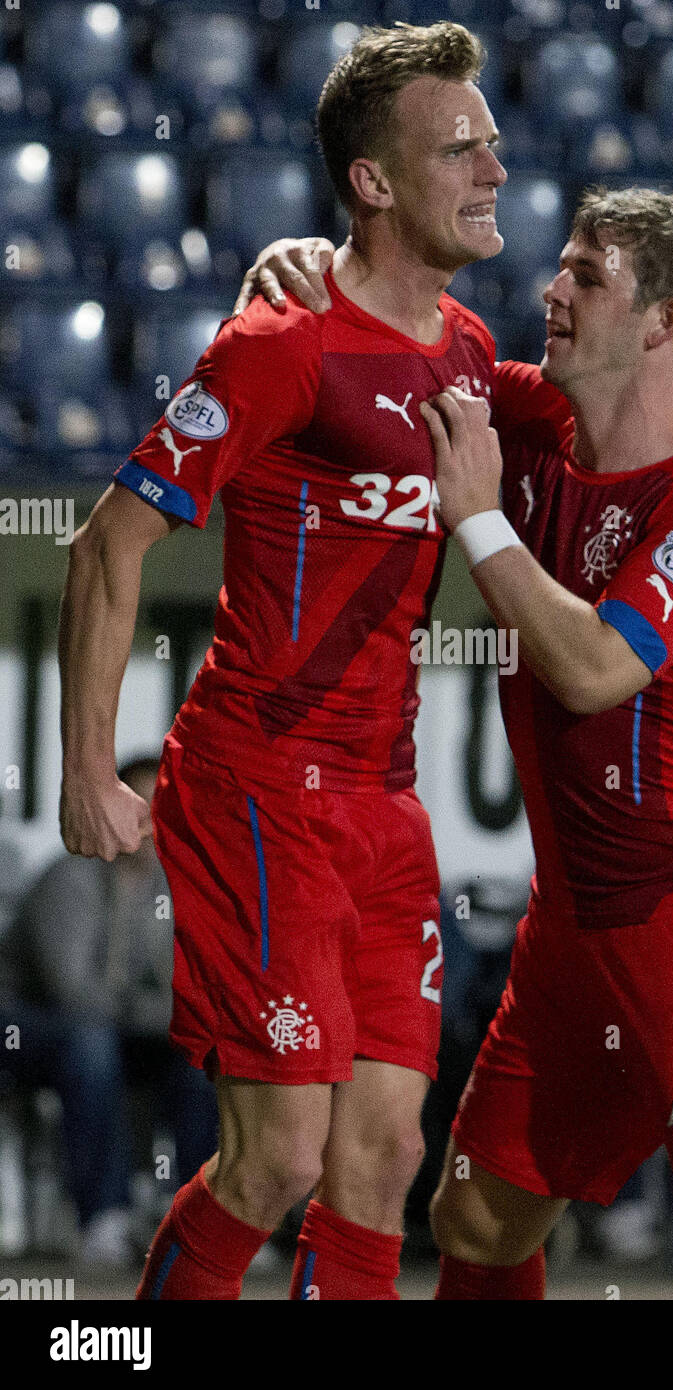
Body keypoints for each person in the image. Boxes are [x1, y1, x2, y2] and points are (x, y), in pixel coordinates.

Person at [242, 186, 673, 1300]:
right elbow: (389, 347)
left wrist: (477, 518)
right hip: (573, 929)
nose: (551, 287)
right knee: (477, 1215)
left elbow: (592, 669)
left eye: (586, 274)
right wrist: (306, 271)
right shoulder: (527, 422)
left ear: (663, 321)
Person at [57, 21, 503, 1300]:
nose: (492, 171)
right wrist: (91, 773)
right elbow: (104, 544)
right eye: (458, 147)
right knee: (279, 1157)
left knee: (386, 1154)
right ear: (371, 182)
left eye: (494, 144)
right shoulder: (277, 343)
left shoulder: (467, 354)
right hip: (261, 784)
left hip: (386, 802)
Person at [0, 758, 215, 1265]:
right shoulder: (71, 876)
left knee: (201, 1054)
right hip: (25, 1022)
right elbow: (73, 994)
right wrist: (162, 1013)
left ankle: (202, 1219)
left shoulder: (174, 885)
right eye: (137, 805)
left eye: (160, 808)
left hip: (121, 1028)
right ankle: (104, 1218)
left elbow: (186, 987)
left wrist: (177, 1020)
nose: (147, 821)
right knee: (90, 1046)